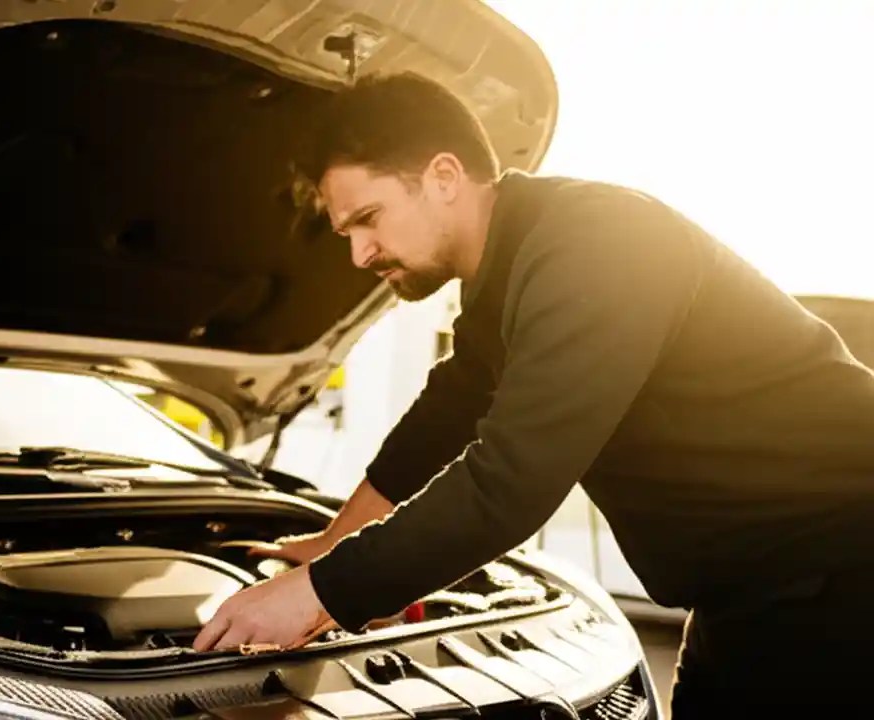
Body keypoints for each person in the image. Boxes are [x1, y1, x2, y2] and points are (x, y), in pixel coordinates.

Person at [191, 72, 874, 716]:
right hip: (745, 596)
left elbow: (512, 478)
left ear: (444, 176)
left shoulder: (599, 244)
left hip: (841, 571)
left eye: (369, 218)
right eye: (348, 233)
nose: (360, 255)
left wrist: (321, 597)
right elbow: (448, 411)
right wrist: (336, 542)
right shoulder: (508, 276)